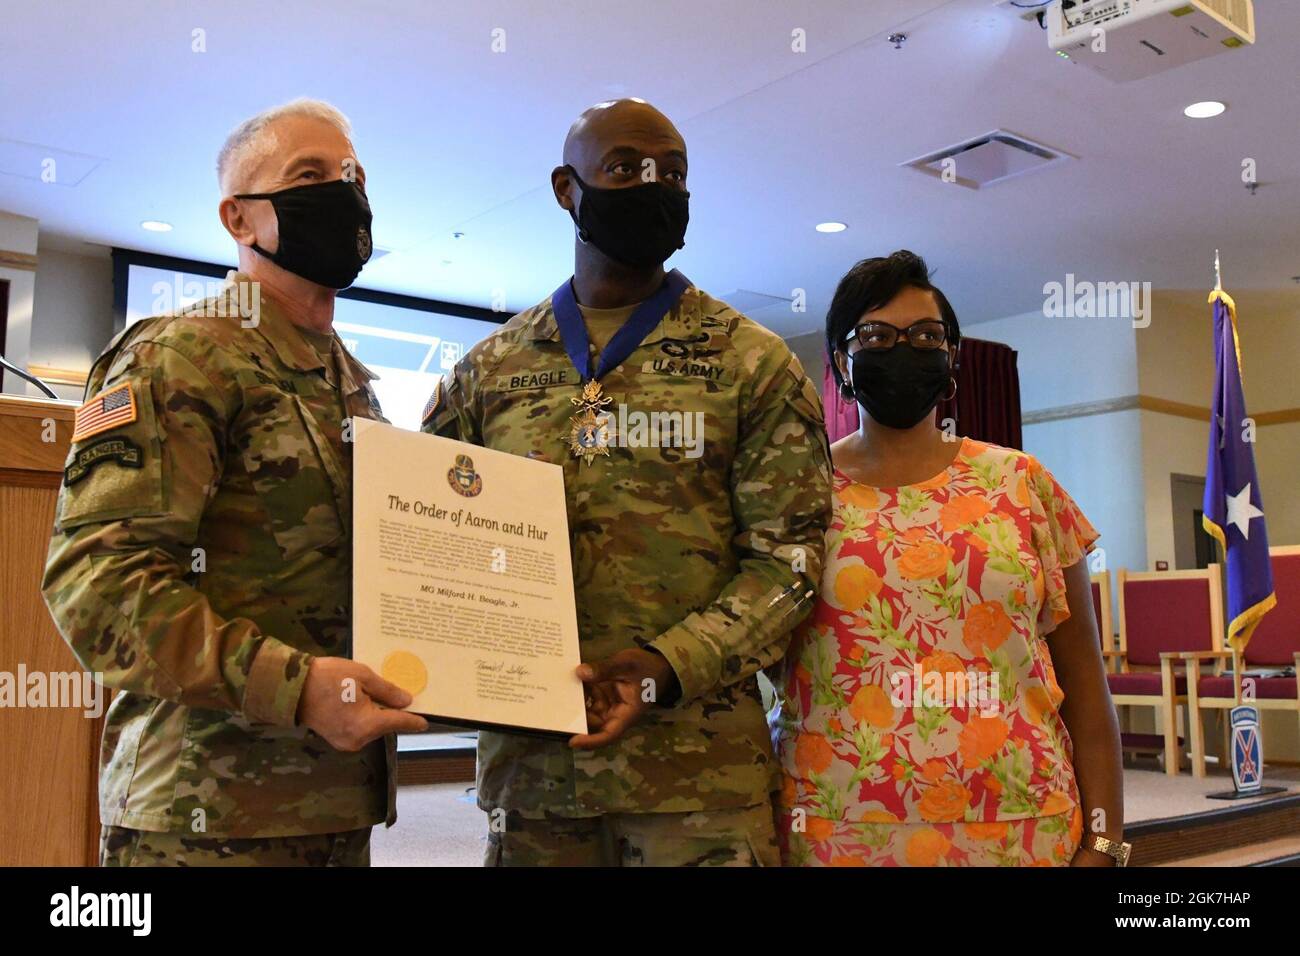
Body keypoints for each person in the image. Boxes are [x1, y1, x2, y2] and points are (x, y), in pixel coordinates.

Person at [422, 98, 833, 866]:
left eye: (672, 172)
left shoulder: (753, 363)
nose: (652, 184)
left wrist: (666, 667)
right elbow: (431, 542)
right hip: (534, 779)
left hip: (698, 784)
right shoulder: (487, 372)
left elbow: (791, 565)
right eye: (625, 167)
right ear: (565, 188)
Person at [42, 98, 427, 867]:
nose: (344, 192)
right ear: (240, 220)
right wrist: (295, 687)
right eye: (310, 174)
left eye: (355, 175)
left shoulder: (351, 384)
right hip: (203, 815)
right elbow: (96, 584)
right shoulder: (179, 356)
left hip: (331, 805)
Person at [775, 250, 1126, 866]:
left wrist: (1104, 841)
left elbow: (1087, 689)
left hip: (1022, 824)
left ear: (951, 358)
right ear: (840, 361)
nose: (903, 350)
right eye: (877, 336)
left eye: (926, 336)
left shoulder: (1023, 483)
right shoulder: (796, 492)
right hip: (839, 830)